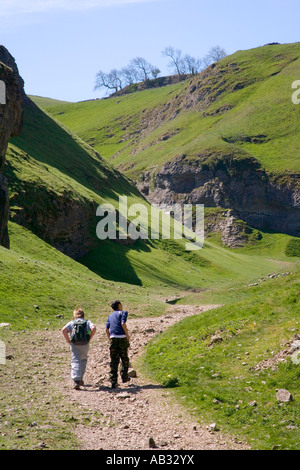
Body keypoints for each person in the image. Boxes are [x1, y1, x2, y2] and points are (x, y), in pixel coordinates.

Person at [62, 308, 96, 390]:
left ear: (74, 315)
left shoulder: (72, 323)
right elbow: (94, 328)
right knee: (83, 360)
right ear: (83, 315)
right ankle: (80, 378)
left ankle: (76, 380)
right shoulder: (87, 322)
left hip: (74, 343)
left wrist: (68, 341)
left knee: (75, 360)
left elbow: (63, 330)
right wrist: (89, 338)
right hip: (85, 343)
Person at [106, 300, 130, 389]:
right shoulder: (123, 313)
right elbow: (123, 323)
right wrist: (127, 336)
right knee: (124, 358)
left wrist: (110, 339)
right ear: (119, 305)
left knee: (114, 360)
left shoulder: (110, 316)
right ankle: (124, 377)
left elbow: (106, 330)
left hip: (113, 338)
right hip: (122, 337)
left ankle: (113, 381)